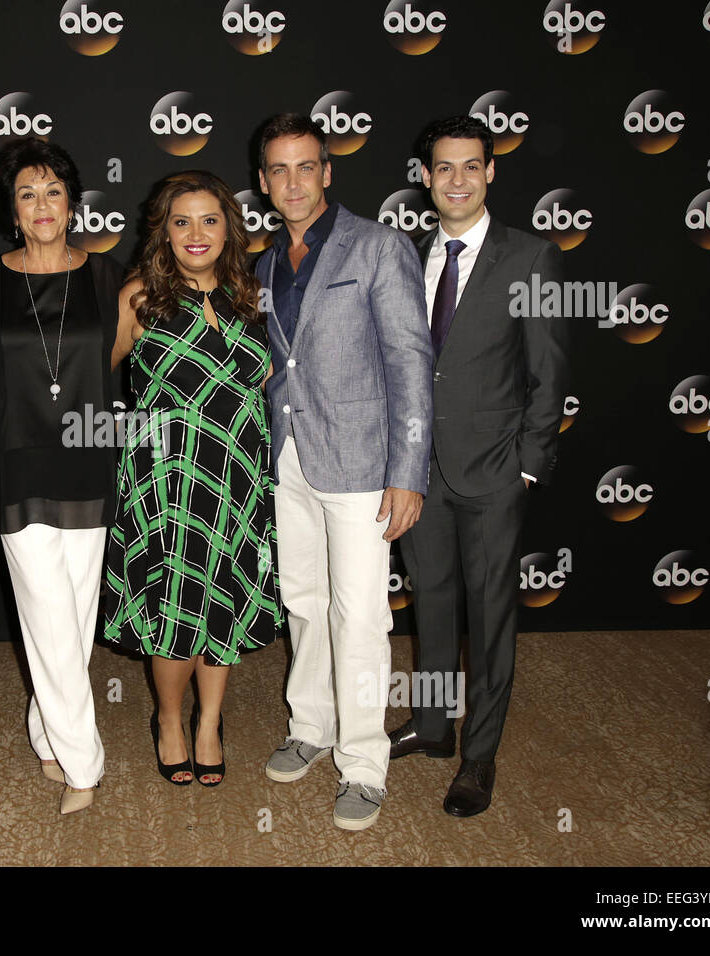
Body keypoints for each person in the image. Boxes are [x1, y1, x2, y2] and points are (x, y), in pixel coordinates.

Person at [254, 113, 433, 830]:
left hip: (363, 463)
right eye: (278, 170)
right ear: (263, 181)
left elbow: (411, 363)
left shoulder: (380, 246)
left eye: (305, 167)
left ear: (327, 172)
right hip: (290, 454)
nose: (292, 182)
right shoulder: (264, 261)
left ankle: (363, 763)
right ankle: (312, 726)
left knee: (359, 615)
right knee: (303, 598)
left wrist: (409, 469)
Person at [390, 115, 569, 817]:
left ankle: (479, 756)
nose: (456, 180)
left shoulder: (532, 256)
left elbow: (549, 371)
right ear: (426, 177)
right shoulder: (407, 255)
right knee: (431, 606)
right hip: (418, 471)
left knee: (489, 619)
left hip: (495, 473)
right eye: (443, 168)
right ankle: (434, 728)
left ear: (491, 172)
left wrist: (528, 465)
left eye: (471, 166)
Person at [0, 138, 124, 815]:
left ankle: (46, 734)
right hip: (16, 460)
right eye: (27, 195)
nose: (42, 205)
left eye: (53, 191)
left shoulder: (110, 277)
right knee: (49, 612)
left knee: (75, 617)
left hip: (90, 457)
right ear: (13, 210)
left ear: (72, 201)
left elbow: (129, 355)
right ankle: (83, 763)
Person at [106, 170, 282, 788]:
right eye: (182, 221)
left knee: (221, 602)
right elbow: (88, 376)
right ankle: (171, 720)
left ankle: (211, 720)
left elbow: (264, 385)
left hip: (236, 478)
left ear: (229, 228)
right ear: (164, 232)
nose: (197, 233)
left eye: (210, 220)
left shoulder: (250, 296)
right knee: (174, 604)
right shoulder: (139, 298)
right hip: (165, 481)